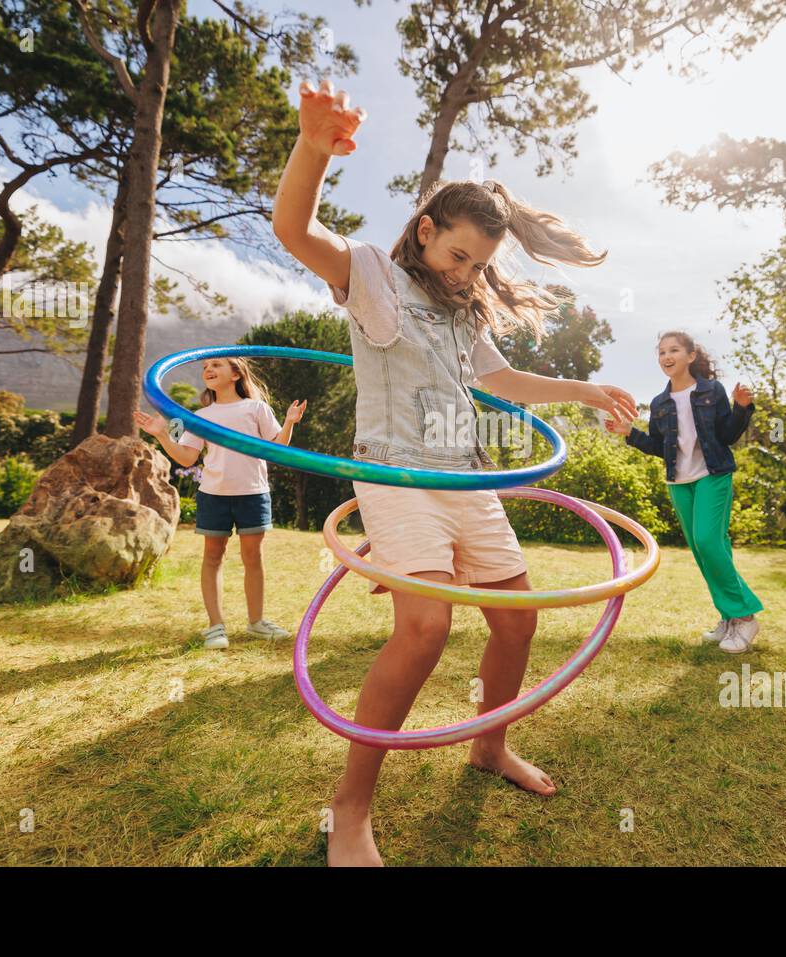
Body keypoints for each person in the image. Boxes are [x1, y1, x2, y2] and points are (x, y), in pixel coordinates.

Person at [272, 77, 637, 866]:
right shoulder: (374, 275)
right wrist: (312, 146)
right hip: (396, 475)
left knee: (517, 618)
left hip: (466, 478)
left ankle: (487, 746)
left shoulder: (465, 311)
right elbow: (294, 230)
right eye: (457, 253)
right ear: (426, 232)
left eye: (479, 263)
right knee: (426, 626)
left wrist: (583, 390)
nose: (467, 272)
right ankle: (350, 807)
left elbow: (502, 382)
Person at [607, 331, 763, 653]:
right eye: (662, 352)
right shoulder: (660, 403)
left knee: (708, 541)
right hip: (679, 482)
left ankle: (745, 617)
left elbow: (727, 435)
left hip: (713, 475)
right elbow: (658, 447)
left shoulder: (712, 391)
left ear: (691, 356)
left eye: (674, 350)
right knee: (706, 551)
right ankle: (729, 618)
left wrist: (742, 409)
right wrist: (629, 433)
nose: (666, 356)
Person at [135, 356, 306, 649]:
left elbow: (277, 449)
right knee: (212, 557)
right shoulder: (200, 416)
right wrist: (162, 433)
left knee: (253, 558)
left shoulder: (256, 408)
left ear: (236, 374)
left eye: (216, 365)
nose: (208, 370)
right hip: (213, 494)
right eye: (205, 368)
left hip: (252, 492)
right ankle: (216, 627)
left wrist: (289, 422)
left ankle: (257, 622)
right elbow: (187, 457)